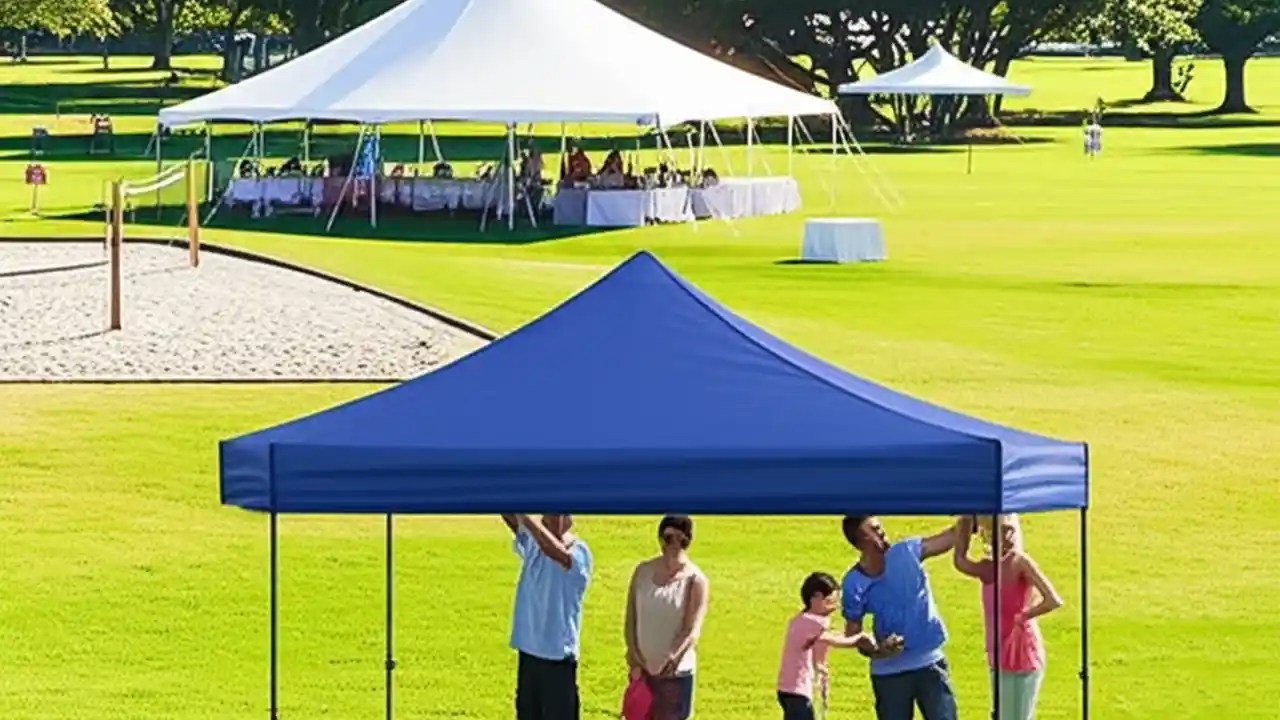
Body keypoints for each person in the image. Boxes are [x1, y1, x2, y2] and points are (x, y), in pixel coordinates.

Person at [841, 515, 958, 720]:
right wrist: (878, 650)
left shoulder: (906, 552)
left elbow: (948, 538)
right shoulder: (854, 583)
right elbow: (853, 633)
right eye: (874, 529)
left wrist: (974, 520)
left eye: (880, 527)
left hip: (930, 663)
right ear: (861, 542)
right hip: (889, 674)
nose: (882, 532)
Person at [954, 515, 1063, 720]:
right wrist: (966, 520)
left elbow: (1053, 600)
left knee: (1018, 716)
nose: (1009, 536)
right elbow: (960, 561)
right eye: (1003, 531)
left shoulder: (1020, 562)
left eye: (1011, 530)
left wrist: (1025, 615)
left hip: (1021, 650)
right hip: (997, 652)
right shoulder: (987, 568)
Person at [503, 514, 593, 720]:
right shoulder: (535, 545)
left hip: (557, 661)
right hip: (529, 655)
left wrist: (526, 517)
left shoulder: (579, 552)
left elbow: (554, 551)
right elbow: (512, 520)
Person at [624, 515, 709, 720]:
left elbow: (691, 630)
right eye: (669, 538)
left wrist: (672, 659)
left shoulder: (695, 580)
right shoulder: (642, 571)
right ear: (660, 538)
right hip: (642, 672)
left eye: (682, 539)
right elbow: (631, 619)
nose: (674, 545)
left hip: (675, 676)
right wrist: (634, 657)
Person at [777, 572, 878, 720]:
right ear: (816, 597)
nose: (834, 607)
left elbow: (816, 644)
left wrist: (820, 666)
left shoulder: (800, 620)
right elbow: (831, 640)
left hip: (789, 689)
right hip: (796, 691)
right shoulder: (811, 622)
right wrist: (859, 639)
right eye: (830, 601)